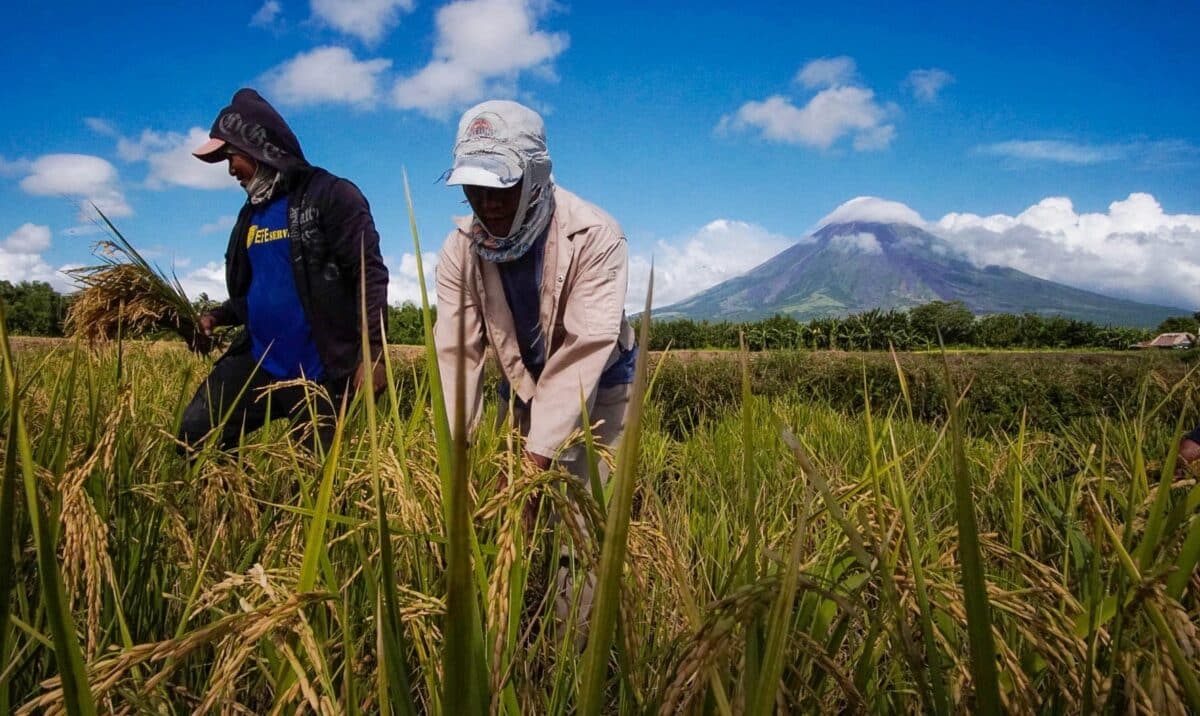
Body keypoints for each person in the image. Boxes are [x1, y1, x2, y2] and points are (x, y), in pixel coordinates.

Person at [433, 99, 637, 632]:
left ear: (537, 174)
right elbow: (458, 354)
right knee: (514, 515)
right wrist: (453, 459)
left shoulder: (595, 236)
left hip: (600, 383)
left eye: (501, 183)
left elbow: (580, 356)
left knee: (579, 516)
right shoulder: (461, 249)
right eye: (473, 185)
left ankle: (574, 650)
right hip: (526, 383)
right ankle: (510, 626)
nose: (486, 200)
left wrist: (533, 465)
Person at [178, 88, 388, 454]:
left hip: (321, 372)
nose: (230, 171)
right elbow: (257, 290)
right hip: (260, 361)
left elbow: (369, 275)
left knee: (313, 484)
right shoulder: (251, 215)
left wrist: (374, 354)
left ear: (259, 145)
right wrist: (215, 316)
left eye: (232, 157)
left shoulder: (331, 195)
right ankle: (235, 507)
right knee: (194, 435)